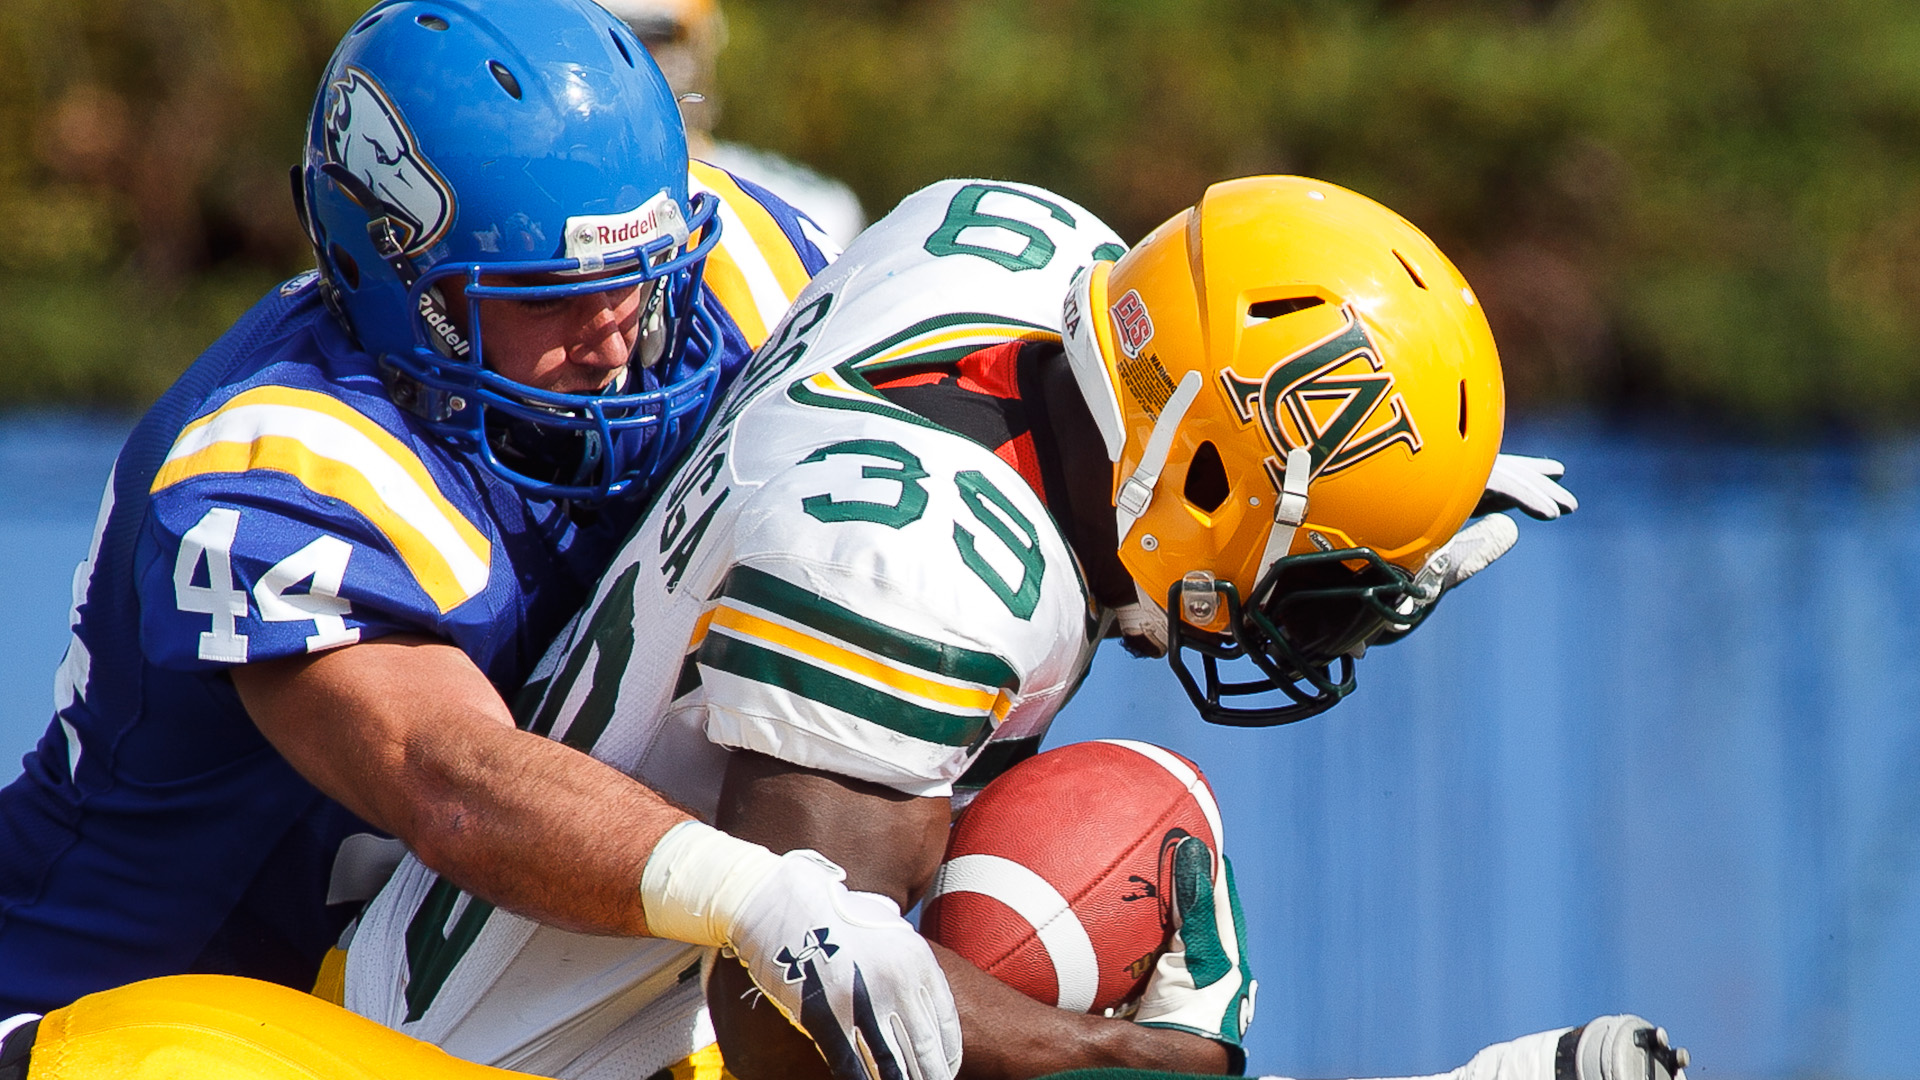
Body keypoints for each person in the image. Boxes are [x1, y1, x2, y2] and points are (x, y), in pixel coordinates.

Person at [334, 174, 1657, 1080]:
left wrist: (1387, 498)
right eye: (1313, 578)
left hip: (618, 990)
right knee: (1109, 852)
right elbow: (792, 1028)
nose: (1315, 624)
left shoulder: (1019, 249)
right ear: (1193, 468)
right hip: (511, 1049)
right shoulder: (920, 585)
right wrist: (1094, 1059)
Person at [0, 4, 963, 1079]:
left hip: (465, 1015)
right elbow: (449, 780)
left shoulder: (734, 273)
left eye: (641, 276)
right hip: (132, 1020)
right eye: (555, 296)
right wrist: (753, 896)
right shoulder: (289, 462)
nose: (617, 339)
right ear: (403, 281)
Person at [598, 0, 868, 247]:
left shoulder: (807, 209)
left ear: (702, 43)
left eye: (654, 40)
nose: (631, 63)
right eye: (605, 44)